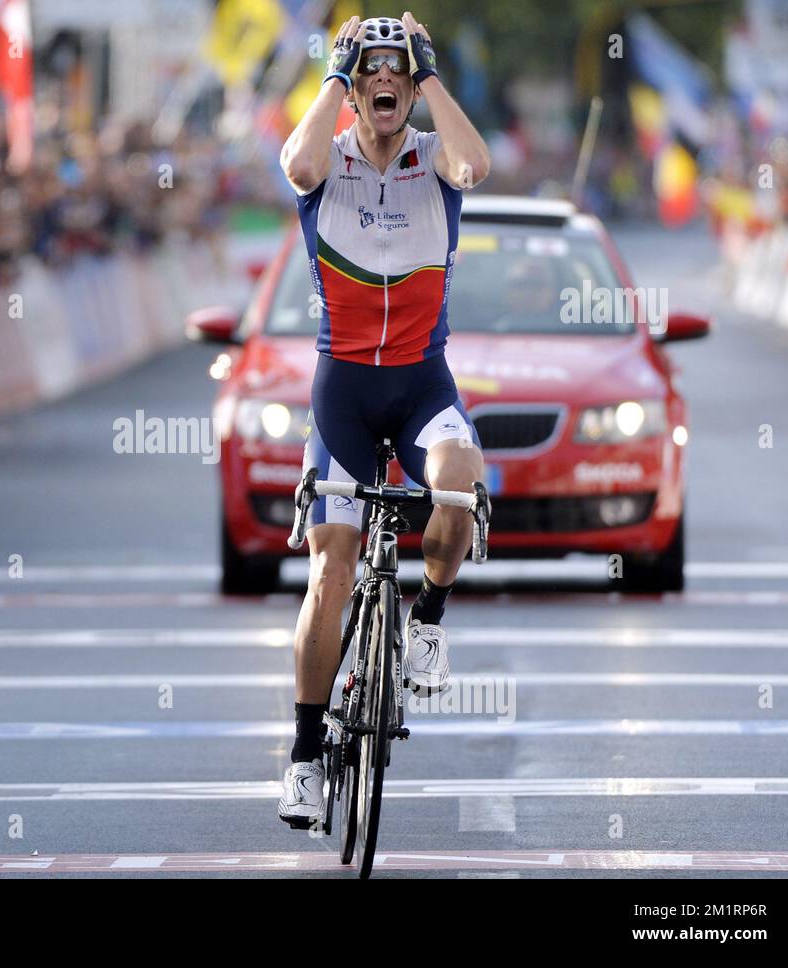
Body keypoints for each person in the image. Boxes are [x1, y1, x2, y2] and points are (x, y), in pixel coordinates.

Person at [275, 13, 491, 827]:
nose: (386, 81)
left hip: (421, 383)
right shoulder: (324, 162)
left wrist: (430, 70)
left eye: (398, 71)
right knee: (331, 568)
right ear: (355, 86)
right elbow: (293, 161)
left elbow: (477, 161)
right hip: (343, 392)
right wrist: (333, 72)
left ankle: (428, 615)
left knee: (460, 487)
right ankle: (302, 754)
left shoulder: (433, 158)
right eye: (373, 72)